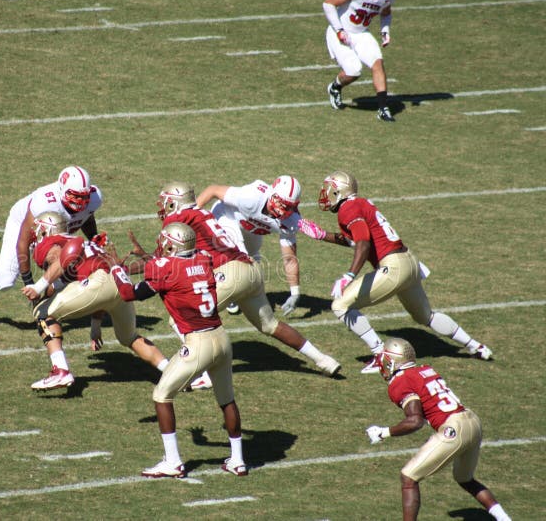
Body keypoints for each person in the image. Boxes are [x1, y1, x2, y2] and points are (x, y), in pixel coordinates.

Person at [131, 181, 340, 388]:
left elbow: (162, 263)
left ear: (173, 203)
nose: (161, 208)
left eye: (164, 203)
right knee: (270, 325)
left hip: (229, 272)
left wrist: (120, 270)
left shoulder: (179, 220)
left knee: (180, 319)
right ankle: (323, 360)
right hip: (250, 268)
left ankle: (203, 372)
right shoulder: (202, 214)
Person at [297, 171, 493, 372]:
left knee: (340, 305)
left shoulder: (348, 208)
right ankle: (475, 345)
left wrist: (348, 276)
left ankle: (380, 354)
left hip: (394, 267)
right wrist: (322, 235)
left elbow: (363, 244)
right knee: (426, 316)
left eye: (329, 190)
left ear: (339, 192)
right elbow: (359, 239)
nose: (325, 194)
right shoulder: (361, 203)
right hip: (410, 262)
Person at [110, 222, 247, 478]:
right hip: (222, 338)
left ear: (172, 244)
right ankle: (238, 460)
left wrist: (117, 268)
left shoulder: (167, 269)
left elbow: (128, 293)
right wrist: (147, 257)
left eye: (165, 242)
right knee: (226, 400)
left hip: (198, 344)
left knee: (162, 395)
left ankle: (173, 462)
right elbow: (174, 267)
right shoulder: (204, 259)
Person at [365, 338, 511, 521]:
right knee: (465, 479)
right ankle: (504, 519)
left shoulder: (400, 382)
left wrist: (384, 432)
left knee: (408, 477)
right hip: (472, 421)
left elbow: (415, 421)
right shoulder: (425, 369)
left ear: (392, 360)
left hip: (453, 428)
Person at [22, 211, 169, 390]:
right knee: (130, 337)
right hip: (119, 282)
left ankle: (60, 370)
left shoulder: (51, 243)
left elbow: (63, 260)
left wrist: (37, 287)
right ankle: (174, 373)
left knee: (42, 312)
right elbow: (99, 290)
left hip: (101, 281)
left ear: (46, 230)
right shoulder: (84, 243)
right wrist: (95, 327)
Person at [0, 165, 102, 319]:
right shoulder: (44, 202)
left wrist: (94, 239)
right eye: (75, 196)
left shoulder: (94, 199)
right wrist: (29, 283)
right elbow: (23, 241)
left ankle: (46, 309)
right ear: (61, 189)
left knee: (69, 266)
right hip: (26, 227)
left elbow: (86, 217)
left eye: (84, 196)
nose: (81, 202)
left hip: (56, 232)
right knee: (5, 281)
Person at [196, 175, 306, 317]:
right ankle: (224, 292)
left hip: (250, 227)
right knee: (241, 261)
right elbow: (213, 190)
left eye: (289, 206)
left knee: (253, 264)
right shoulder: (251, 197)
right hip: (227, 215)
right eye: (281, 203)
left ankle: (237, 290)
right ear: (272, 194)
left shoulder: (290, 221)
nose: (283, 210)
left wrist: (295, 292)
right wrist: (188, 214)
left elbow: (289, 258)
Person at [323, 0, 397, 122]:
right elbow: (328, 4)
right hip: (339, 31)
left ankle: (383, 109)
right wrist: (339, 30)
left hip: (361, 33)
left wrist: (385, 30)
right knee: (354, 71)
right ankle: (335, 87)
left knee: (377, 62)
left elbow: (386, 13)